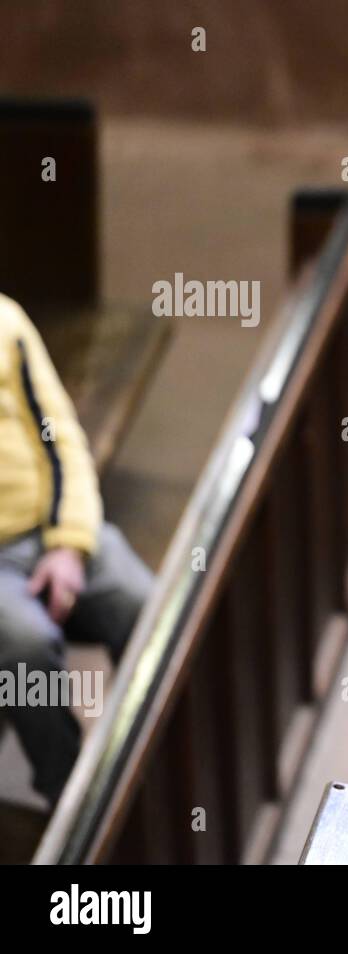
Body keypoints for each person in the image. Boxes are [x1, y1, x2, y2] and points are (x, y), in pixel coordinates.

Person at [0, 292, 154, 807]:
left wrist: (67, 544)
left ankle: (155, 763)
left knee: (146, 606)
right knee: (25, 646)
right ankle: (72, 803)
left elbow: (59, 435)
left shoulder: (6, 321)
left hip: (52, 527)